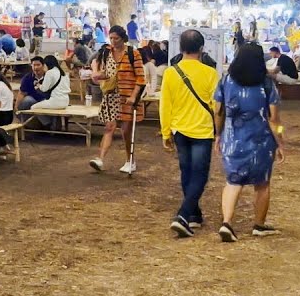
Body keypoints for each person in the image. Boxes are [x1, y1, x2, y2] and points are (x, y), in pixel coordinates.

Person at [215, 42, 284, 242]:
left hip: (232, 139)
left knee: (233, 181)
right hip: (261, 141)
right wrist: (280, 141)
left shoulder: (226, 81)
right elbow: (274, 119)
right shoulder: (266, 84)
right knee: (262, 183)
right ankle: (259, 225)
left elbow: (218, 111)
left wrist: (218, 134)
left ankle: (227, 222)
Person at [160, 29, 219, 238]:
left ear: (180, 47)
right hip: (202, 130)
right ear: (202, 48)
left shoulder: (170, 72)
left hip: (179, 129)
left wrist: (165, 132)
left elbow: (165, 105)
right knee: (200, 174)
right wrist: (220, 131)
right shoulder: (210, 73)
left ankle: (194, 214)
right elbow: (216, 106)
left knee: (186, 171)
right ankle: (184, 214)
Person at [89, 25, 146, 175]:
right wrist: (98, 75)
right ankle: (100, 159)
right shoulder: (106, 52)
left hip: (127, 97)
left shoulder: (133, 53)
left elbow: (140, 78)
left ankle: (130, 160)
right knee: (109, 127)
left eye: (116, 38)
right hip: (111, 95)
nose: (113, 41)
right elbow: (108, 73)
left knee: (126, 131)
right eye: (111, 38)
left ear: (123, 38)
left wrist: (133, 96)